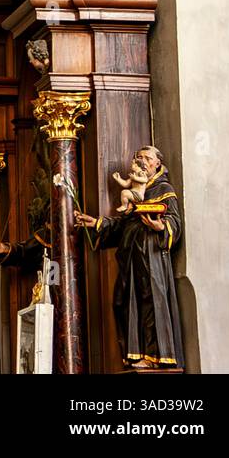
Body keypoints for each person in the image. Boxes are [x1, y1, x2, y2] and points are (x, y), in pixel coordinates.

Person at [74, 146, 186, 370]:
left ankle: (155, 357)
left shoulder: (164, 189)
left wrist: (161, 226)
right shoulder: (138, 188)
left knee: (150, 303)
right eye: (139, 158)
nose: (142, 161)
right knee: (122, 302)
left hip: (152, 256)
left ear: (157, 164)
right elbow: (124, 223)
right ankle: (134, 354)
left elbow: (175, 223)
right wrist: (98, 223)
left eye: (148, 158)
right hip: (130, 257)